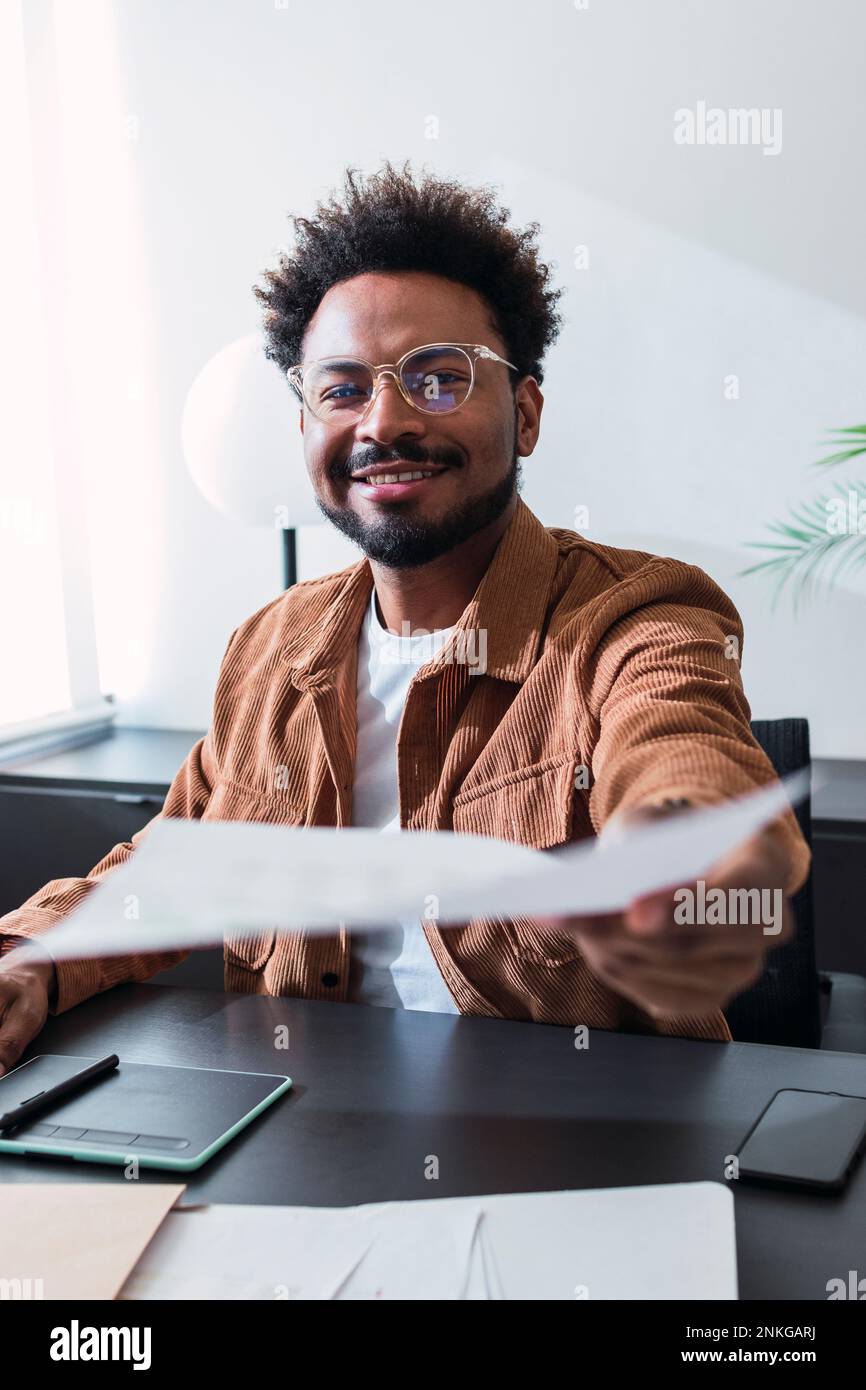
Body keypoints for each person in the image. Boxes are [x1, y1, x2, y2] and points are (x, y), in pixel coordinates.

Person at [0, 162, 809, 1074]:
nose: (383, 421)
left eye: (437, 378)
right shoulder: (268, 649)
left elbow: (679, 747)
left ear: (526, 412)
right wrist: (33, 962)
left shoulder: (635, 617)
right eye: (342, 390)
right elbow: (175, 862)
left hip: (587, 1161)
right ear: (306, 426)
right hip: (307, 1143)